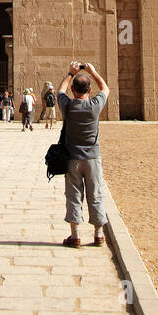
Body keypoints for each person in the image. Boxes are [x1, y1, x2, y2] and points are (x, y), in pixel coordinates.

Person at [56, 61, 110, 248]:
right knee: (96, 195)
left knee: (73, 195)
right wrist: (93, 72)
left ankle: (75, 235)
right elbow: (105, 88)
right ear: (89, 90)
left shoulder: (68, 106)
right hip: (92, 158)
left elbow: (59, 92)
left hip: (73, 158)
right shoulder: (95, 106)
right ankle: (98, 234)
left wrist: (70, 73)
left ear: (73, 89)